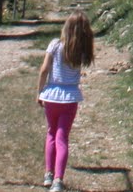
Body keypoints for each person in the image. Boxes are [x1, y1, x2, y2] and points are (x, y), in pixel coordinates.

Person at [36, 11, 94, 192]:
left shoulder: (54, 45)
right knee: (63, 138)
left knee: (51, 133)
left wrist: (39, 92)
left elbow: (44, 69)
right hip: (70, 97)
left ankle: (48, 174)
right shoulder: (82, 51)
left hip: (52, 94)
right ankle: (59, 180)